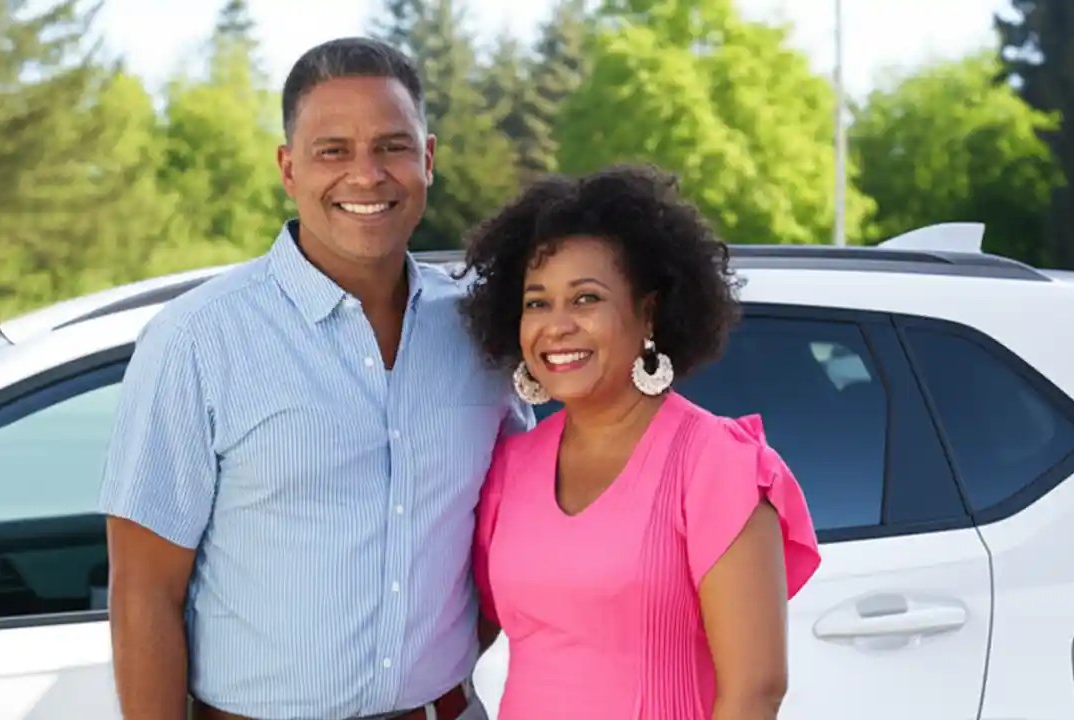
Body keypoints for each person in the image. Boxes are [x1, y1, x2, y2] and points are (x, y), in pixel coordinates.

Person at [97, 37, 532, 720]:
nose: (366, 175)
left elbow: (513, 540)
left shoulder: (481, 335)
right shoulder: (198, 341)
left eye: (392, 146)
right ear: (288, 168)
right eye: (333, 150)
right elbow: (144, 595)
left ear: (428, 159)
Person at [457, 164, 822, 720]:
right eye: (537, 302)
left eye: (585, 299)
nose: (556, 326)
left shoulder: (717, 464)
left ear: (647, 312)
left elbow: (756, 689)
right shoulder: (511, 466)